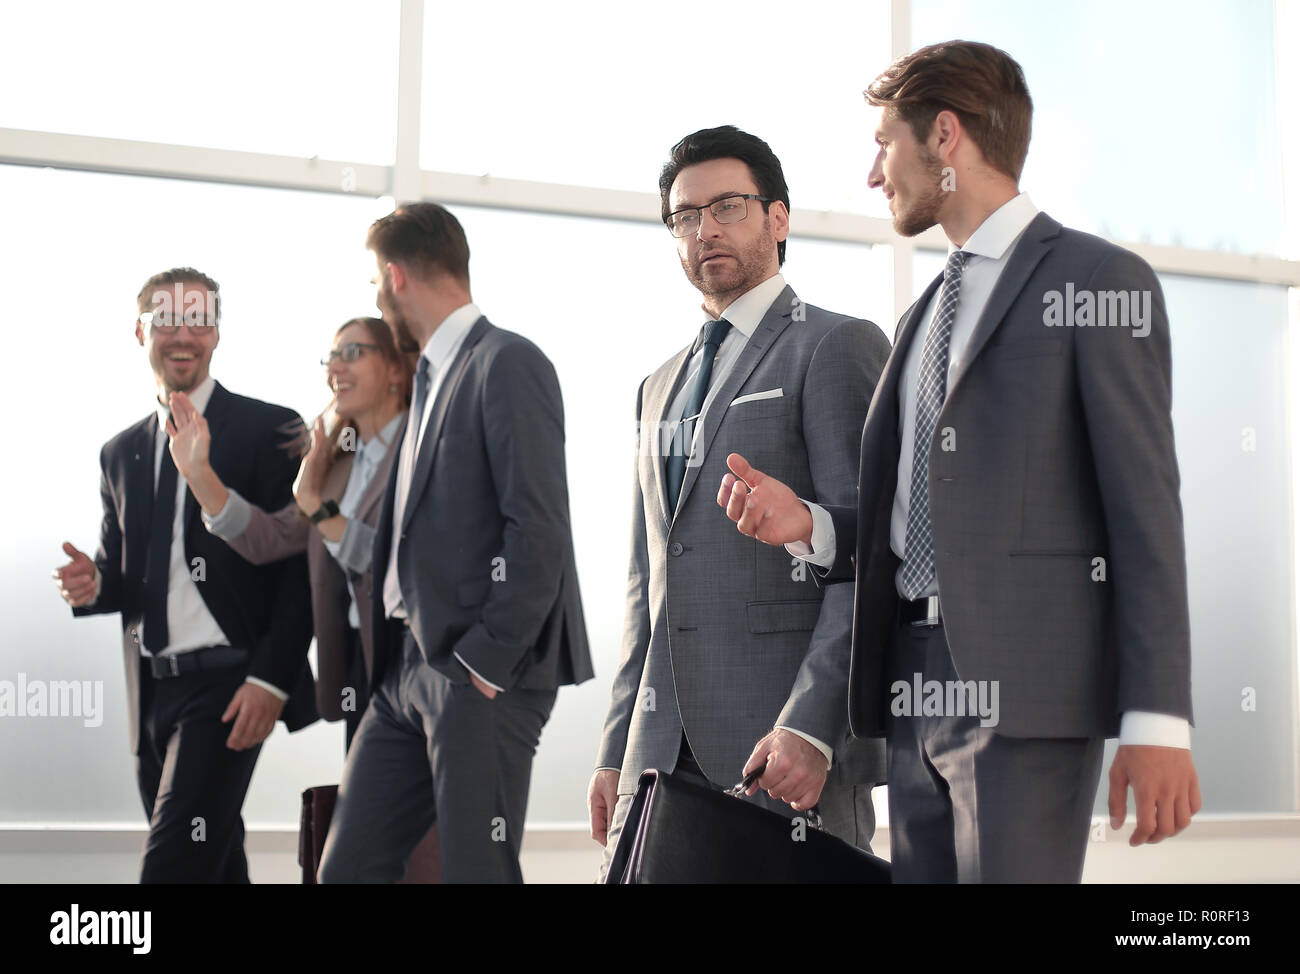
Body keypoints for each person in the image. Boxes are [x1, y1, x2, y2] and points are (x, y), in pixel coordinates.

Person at [719, 41, 1200, 882]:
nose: (875, 173)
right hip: (912, 687)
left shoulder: (1096, 279)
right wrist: (815, 528)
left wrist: (1158, 720)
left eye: (884, 144)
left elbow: (1144, 510)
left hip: (1026, 693)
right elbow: (920, 513)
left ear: (945, 136)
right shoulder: (921, 318)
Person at [589, 125, 891, 880]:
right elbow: (646, 586)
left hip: (781, 751)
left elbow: (869, 554)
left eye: (727, 207)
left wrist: (816, 729)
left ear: (778, 219)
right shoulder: (656, 387)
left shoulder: (835, 346)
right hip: (658, 758)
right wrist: (615, 745)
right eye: (685, 216)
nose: (705, 230)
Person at [317, 202, 593, 884]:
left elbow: (539, 528)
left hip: (477, 673)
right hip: (403, 672)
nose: (375, 299)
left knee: (477, 873)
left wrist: (486, 661)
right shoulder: (429, 381)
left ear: (394, 276)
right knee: (347, 871)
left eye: (373, 283)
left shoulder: (508, 362)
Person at [52, 267, 317, 883]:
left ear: (217, 334)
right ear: (139, 330)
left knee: (169, 872)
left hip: (228, 687)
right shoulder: (120, 451)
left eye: (199, 321)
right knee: (216, 866)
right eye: (167, 319)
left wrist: (272, 680)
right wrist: (91, 583)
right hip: (152, 692)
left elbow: (301, 568)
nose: (183, 334)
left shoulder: (271, 428)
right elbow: (125, 575)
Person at [165, 315, 441, 881]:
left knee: (427, 842)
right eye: (331, 357)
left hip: (419, 664)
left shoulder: (424, 444)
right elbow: (271, 539)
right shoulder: (334, 456)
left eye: (352, 353)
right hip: (361, 668)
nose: (335, 367)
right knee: (371, 844)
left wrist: (315, 501)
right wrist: (200, 477)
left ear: (394, 369)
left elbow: (398, 562)